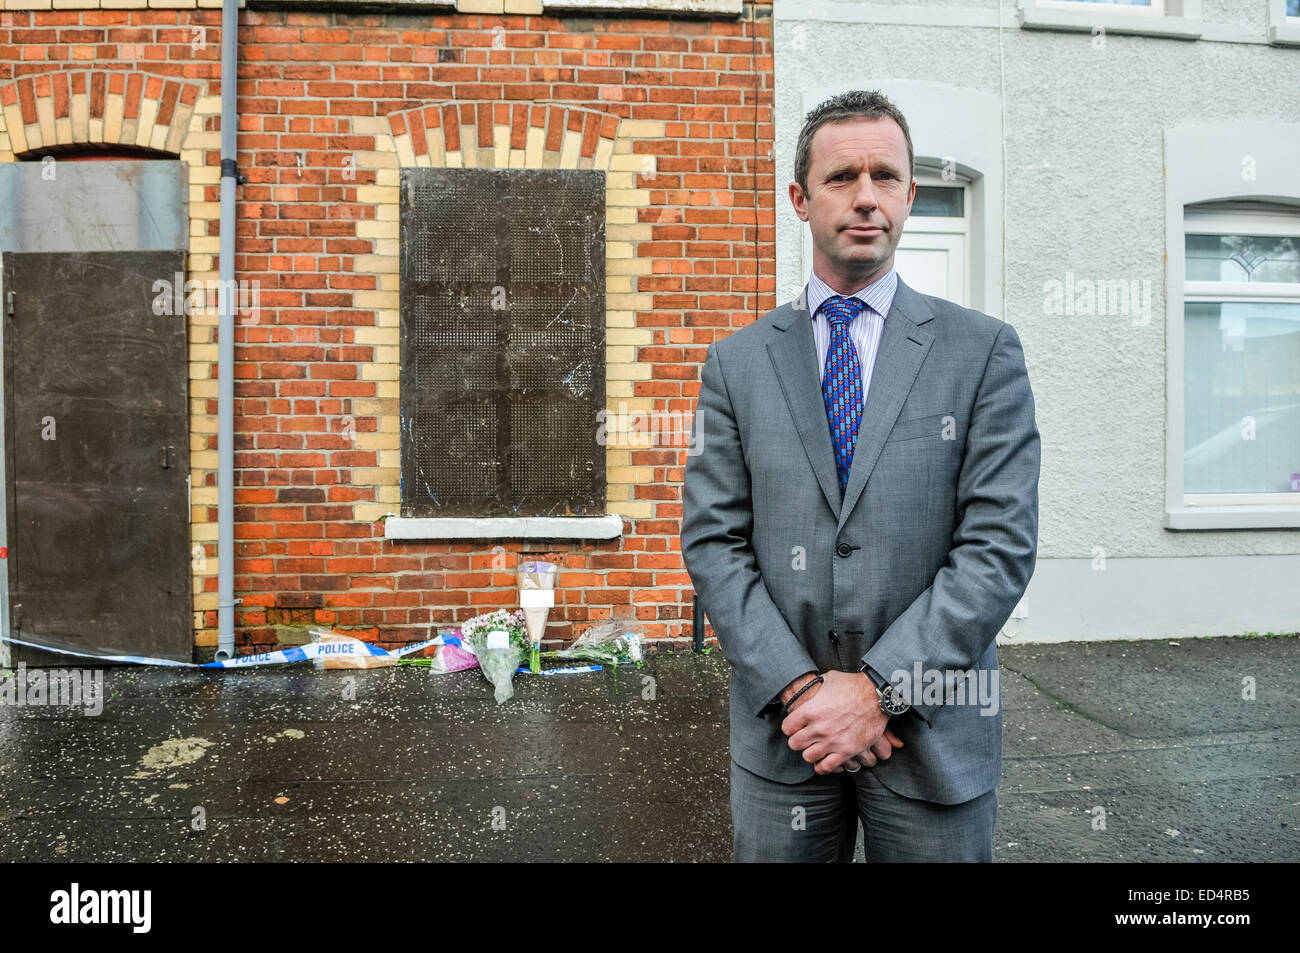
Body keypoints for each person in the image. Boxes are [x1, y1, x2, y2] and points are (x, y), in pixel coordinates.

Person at [681, 89, 1040, 862]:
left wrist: (878, 690)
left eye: (886, 176)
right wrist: (802, 691)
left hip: (933, 736)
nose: (867, 196)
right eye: (843, 176)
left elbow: (998, 547)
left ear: (911, 194)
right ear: (800, 199)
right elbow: (713, 540)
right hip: (786, 740)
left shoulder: (982, 354)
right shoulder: (736, 364)